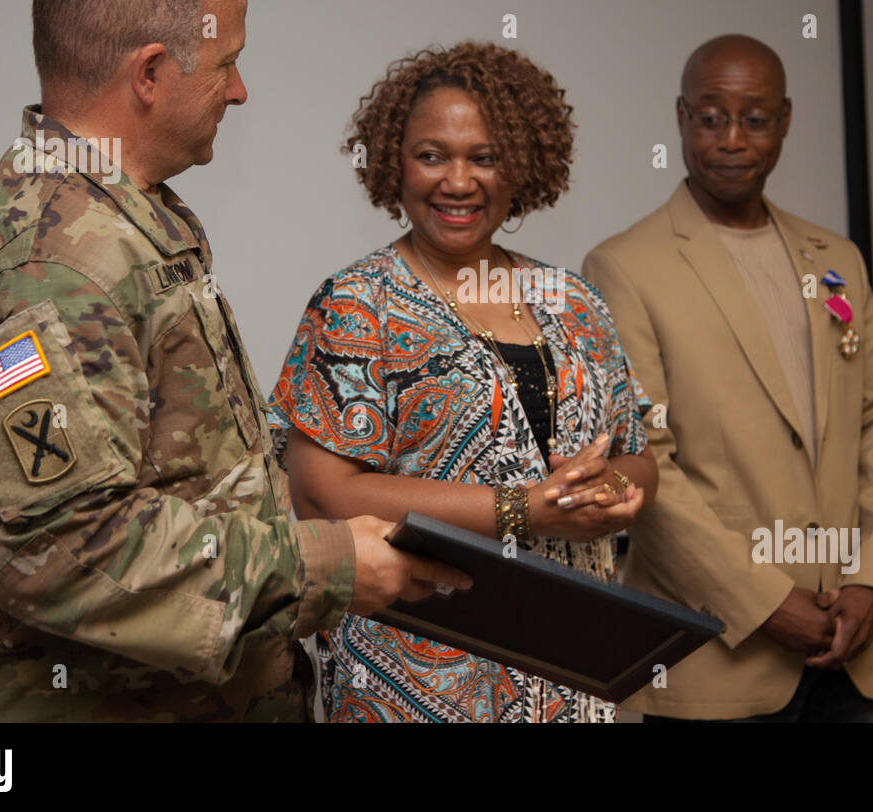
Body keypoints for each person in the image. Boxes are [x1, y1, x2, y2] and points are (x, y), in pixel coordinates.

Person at [0, 0, 466, 722]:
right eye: (227, 63)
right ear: (152, 72)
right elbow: (70, 552)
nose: (239, 89)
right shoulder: (46, 272)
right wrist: (327, 567)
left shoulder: (125, 221)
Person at [269, 41, 657, 722]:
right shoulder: (357, 305)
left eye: (484, 157)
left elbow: (638, 453)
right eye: (432, 155)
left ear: (523, 165)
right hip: (413, 676)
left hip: (570, 674)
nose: (457, 180)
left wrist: (615, 491)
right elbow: (323, 494)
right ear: (396, 163)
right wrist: (520, 509)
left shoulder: (573, 301)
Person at [582, 34, 873, 721]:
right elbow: (645, 466)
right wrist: (764, 603)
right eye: (711, 118)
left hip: (868, 651)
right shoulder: (624, 267)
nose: (733, 139)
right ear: (682, 120)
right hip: (719, 662)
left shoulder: (836, 259)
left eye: (756, 118)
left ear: (786, 121)